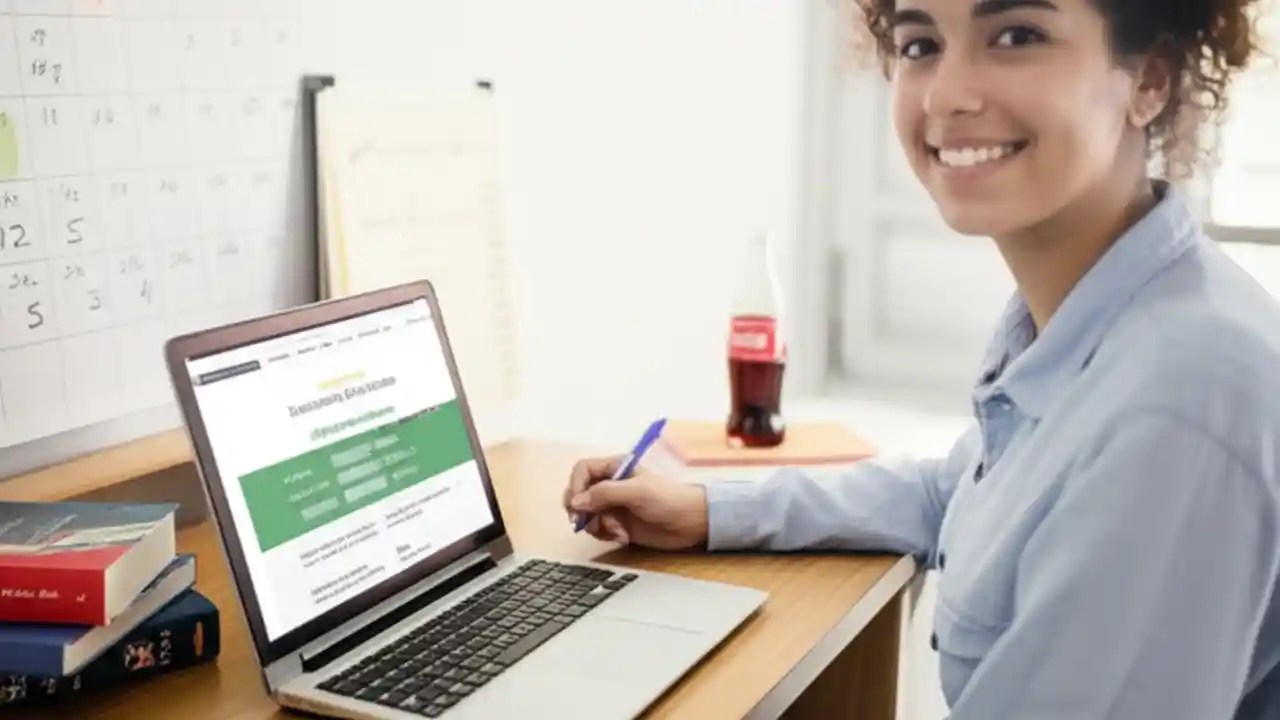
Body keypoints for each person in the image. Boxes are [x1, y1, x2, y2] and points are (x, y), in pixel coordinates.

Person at [563, 0, 1280, 717]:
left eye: (1017, 35)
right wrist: (706, 511)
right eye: (919, 44)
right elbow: (955, 492)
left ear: (1149, 81)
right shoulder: (1100, 311)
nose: (945, 95)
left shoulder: (1180, 403)